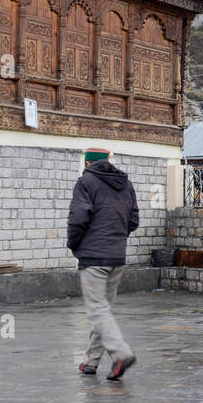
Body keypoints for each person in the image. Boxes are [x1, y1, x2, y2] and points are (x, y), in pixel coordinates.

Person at [68, 147, 140, 381]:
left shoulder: (86, 182)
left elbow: (78, 217)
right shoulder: (126, 184)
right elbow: (133, 220)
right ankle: (91, 361)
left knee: (97, 309)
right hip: (117, 257)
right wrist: (117, 238)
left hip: (93, 257)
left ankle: (121, 354)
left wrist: (74, 244)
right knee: (103, 309)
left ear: (88, 163)